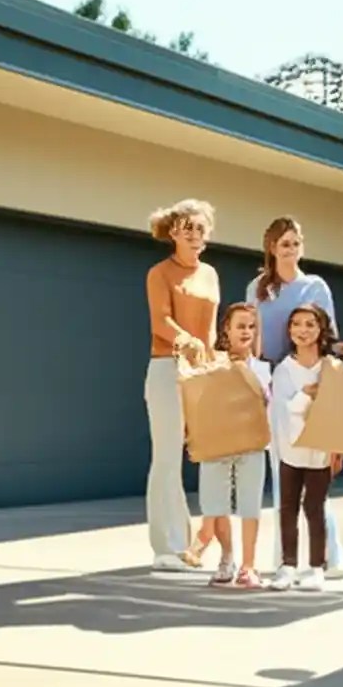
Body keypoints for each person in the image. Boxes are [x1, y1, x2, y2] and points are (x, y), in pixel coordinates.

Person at [246, 216, 343, 578]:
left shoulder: (315, 286)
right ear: (272, 248)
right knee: (284, 473)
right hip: (276, 382)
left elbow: (329, 336)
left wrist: (330, 384)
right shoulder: (258, 288)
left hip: (312, 379)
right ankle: (284, 559)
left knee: (317, 471)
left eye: (295, 243)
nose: (290, 249)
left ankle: (331, 557)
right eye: (283, 243)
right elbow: (253, 339)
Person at [143, 198, 220, 571]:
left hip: (201, 372)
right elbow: (160, 322)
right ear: (172, 232)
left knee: (204, 455)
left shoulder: (210, 274)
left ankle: (189, 545)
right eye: (187, 228)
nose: (194, 234)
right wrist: (185, 342)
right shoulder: (159, 273)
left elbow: (210, 331)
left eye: (200, 228)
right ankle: (165, 548)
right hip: (166, 369)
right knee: (167, 458)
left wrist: (216, 363)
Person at [269, 303, 343, 592]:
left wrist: (337, 449)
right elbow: (282, 410)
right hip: (290, 450)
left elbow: (339, 411)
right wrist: (306, 394)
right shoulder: (284, 370)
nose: (303, 330)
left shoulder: (333, 368)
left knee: (315, 507)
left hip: (321, 451)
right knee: (287, 507)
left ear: (321, 329)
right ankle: (287, 566)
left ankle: (316, 568)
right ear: (289, 330)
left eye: (310, 324)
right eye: (296, 324)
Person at [195, 303, 271, 588]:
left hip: (252, 447)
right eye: (241, 326)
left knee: (250, 506)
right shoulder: (211, 365)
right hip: (218, 447)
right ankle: (227, 557)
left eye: (252, 327)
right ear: (226, 328)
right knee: (216, 505)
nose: (247, 332)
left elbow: (268, 409)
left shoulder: (263, 369)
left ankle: (249, 566)